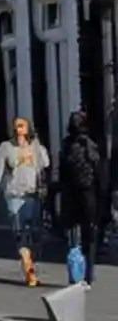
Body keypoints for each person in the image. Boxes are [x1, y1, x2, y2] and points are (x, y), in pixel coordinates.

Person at [0, 116, 50, 287]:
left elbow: (46, 164)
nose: (19, 130)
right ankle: (29, 270)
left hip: (33, 195)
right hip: (14, 195)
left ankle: (30, 264)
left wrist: (37, 145)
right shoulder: (6, 148)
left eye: (22, 126)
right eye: (16, 127)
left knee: (33, 234)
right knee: (20, 233)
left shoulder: (36, 147)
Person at [58, 110, 101, 287]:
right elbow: (98, 172)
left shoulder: (70, 145)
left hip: (76, 194)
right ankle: (84, 275)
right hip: (85, 194)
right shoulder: (89, 145)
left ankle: (78, 275)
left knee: (76, 238)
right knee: (87, 238)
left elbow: (61, 171)